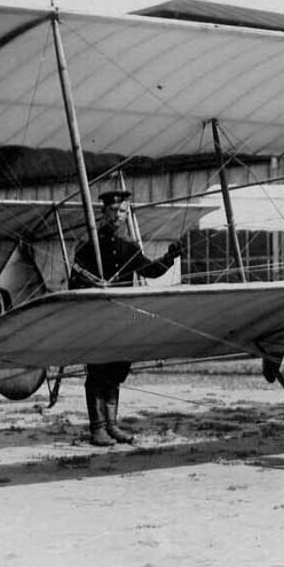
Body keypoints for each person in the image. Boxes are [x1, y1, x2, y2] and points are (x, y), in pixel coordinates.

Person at [70, 189, 183, 446]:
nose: (118, 216)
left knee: (117, 369)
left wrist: (169, 257)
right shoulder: (89, 246)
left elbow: (150, 270)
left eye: (122, 211)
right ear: (102, 212)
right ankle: (96, 428)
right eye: (113, 211)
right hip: (97, 318)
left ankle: (112, 425)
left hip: (121, 317)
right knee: (97, 371)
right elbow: (74, 279)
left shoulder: (129, 247)